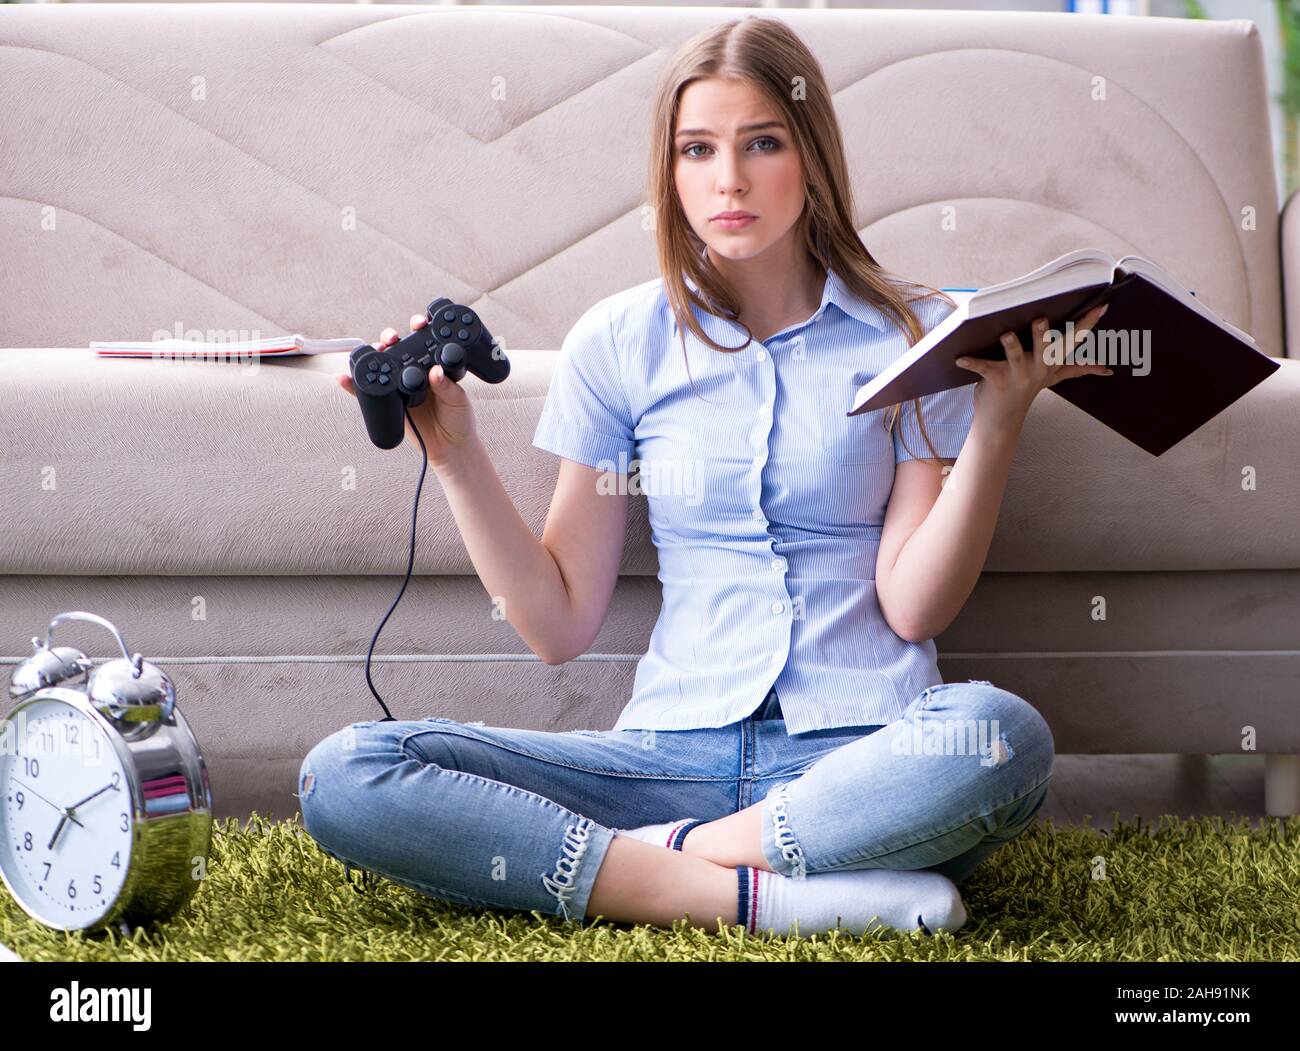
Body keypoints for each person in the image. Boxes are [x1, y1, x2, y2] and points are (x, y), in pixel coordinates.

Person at [301, 15, 1109, 939]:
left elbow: (914, 608)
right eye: (698, 149)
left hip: (860, 762)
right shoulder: (619, 341)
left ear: (811, 160)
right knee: (349, 770)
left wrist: (999, 420)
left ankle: (661, 863)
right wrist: (454, 455)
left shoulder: (914, 331)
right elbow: (559, 622)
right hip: (660, 757)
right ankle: (758, 893)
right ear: (670, 171)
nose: (728, 179)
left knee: (1002, 735)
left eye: (761, 143)